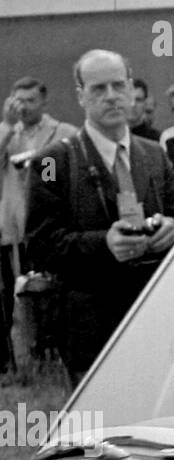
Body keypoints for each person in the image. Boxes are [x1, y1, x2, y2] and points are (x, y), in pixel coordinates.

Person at [25, 50, 174, 385]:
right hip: (90, 329)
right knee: (100, 431)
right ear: (80, 96)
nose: (111, 97)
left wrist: (172, 229)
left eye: (119, 86)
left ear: (132, 90)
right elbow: (40, 245)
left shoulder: (155, 154)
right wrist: (104, 243)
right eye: (98, 89)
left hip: (153, 317)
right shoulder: (49, 162)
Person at [0, 77, 76, 369]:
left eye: (31, 101)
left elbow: (61, 175)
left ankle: (56, 355)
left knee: (52, 292)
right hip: (14, 229)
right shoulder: (8, 134)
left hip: (49, 226)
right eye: (19, 101)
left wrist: (40, 165)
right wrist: (7, 126)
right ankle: (22, 361)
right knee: (16, 295)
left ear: (44, 102)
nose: (24, 107)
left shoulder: (63, 132)